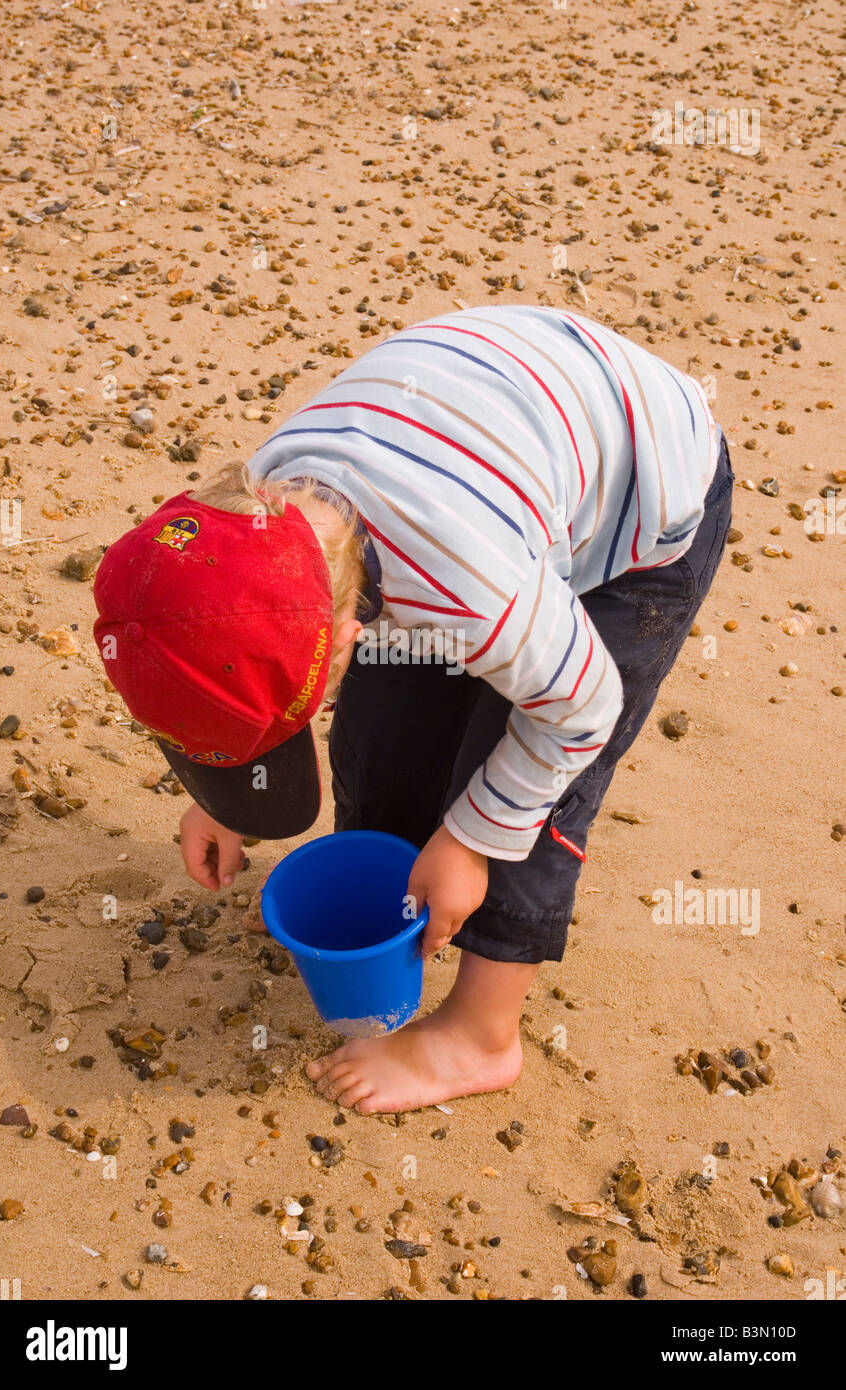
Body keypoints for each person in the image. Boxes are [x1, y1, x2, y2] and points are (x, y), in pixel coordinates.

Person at [93, 305, 732, 1114]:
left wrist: (468, 840)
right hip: (488, 437)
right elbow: (210, 652)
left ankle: (481, 1036)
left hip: (643, 489)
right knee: (388, 732)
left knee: (516, 790)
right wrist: (219, 790)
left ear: (350, 631)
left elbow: (581, 707)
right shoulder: (241, 520)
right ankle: (391, 913)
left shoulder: (471, 592)